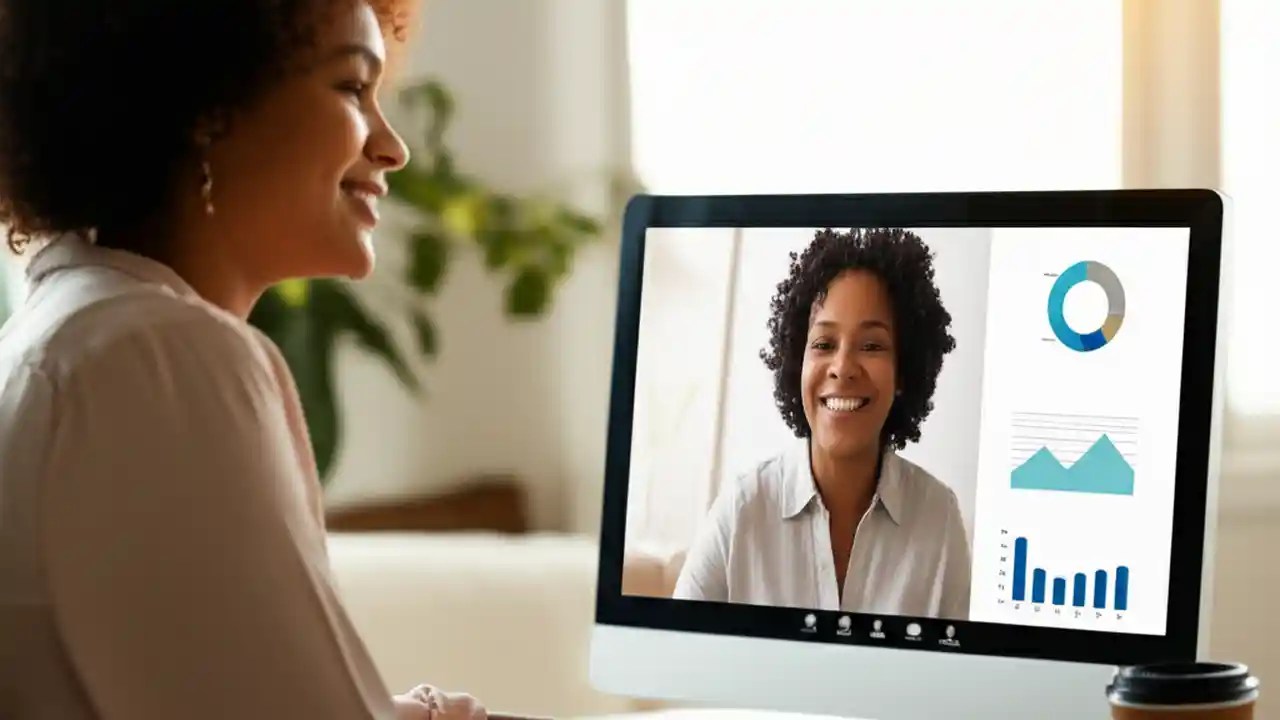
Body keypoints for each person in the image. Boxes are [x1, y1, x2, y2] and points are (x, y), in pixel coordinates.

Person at [0, 1, 487, 718]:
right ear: (208, 101)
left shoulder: (60, 338)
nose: (391, 147)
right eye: (352, 89)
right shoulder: (159, 357)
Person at [673, 228, 972, 620]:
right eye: (823, 345)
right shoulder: (744, 508)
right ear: (798, 362)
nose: (843, 367)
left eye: (871, 345)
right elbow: (676, 664)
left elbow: (956, 677)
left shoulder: (939, 516)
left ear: (904, 371)